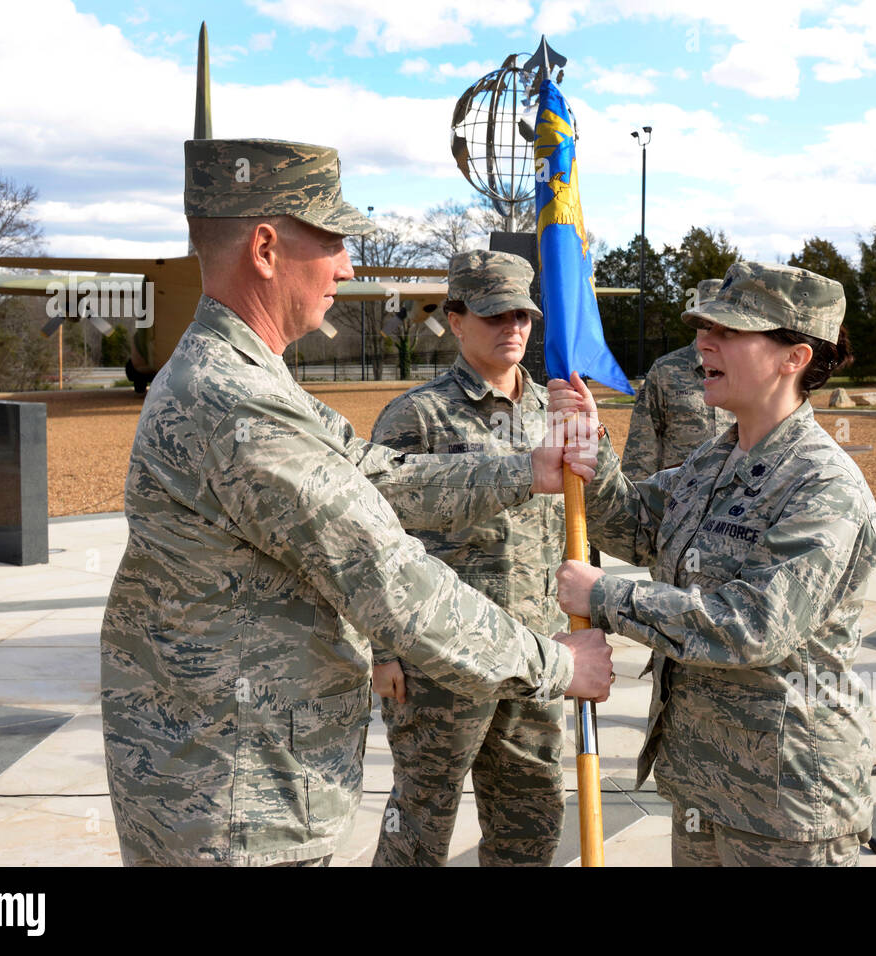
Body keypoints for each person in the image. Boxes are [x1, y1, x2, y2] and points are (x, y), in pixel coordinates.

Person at [100, 138, 613, 867]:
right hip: (234, 807)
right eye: (333, 241)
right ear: (268, 248)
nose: (347, 264)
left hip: (242, 786)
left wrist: (526, 471)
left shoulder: (251, 378)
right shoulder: (238, 404)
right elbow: (389, 578)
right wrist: (556, 664)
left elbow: (375, 474)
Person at [551, 261, 876, 866]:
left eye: (730, 332)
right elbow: (637, 524)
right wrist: (589, 447)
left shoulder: (822, 484)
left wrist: (606, 598)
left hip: (786, 801)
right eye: (706, 329)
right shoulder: (714, 460)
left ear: (795, 357)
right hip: (703, 780)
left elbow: (754, 626)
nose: (706, 342)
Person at [369, 250, 569, 867]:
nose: (513, 328)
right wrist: (383, 648)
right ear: (455, 321)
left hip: (533, 652)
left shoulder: (556, 415)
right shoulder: (416, 417)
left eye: (523, 316)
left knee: (530, 822)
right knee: (419, 826)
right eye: (493, 315)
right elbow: (371, 538)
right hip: (440, 661)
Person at [622, 279, 735, 482]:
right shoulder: (666, 370)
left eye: (725, 324)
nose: (715, 332)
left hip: (732, 498)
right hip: (678, 496)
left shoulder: (743, 370)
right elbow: (643, 441)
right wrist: (638, 500)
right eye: (708, 324)